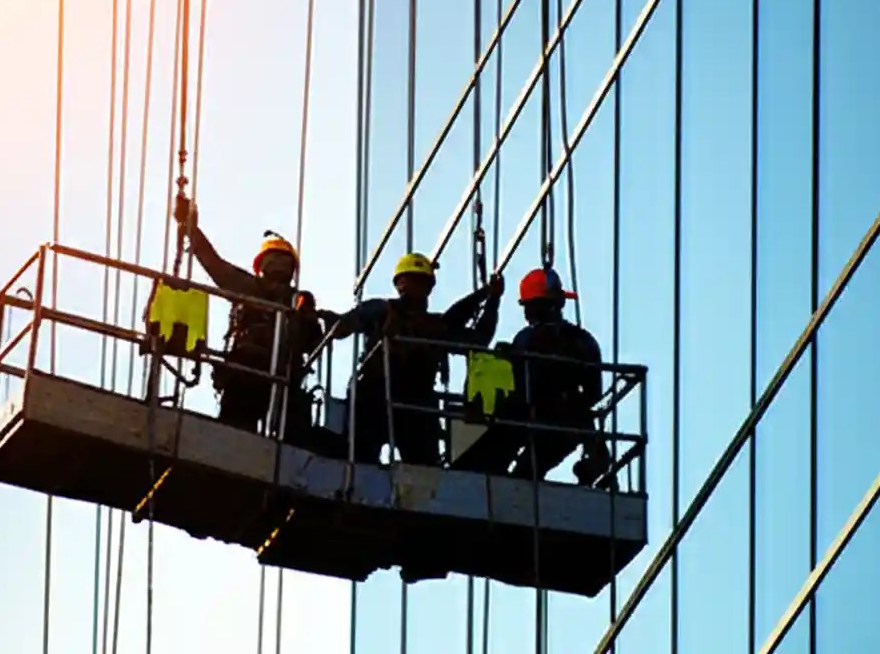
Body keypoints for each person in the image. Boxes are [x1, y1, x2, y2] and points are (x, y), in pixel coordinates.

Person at [318, 253, 502, 466]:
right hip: (376, 401)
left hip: (415, 408)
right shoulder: (383, 310)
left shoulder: (436, 326)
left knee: (422, 471)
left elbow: (477, 340)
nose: (413, 287)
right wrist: (327, 319)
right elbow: (344, 325)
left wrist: (491, 299)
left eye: (418, 282)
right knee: (362, 461)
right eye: (410, 281)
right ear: (399, 285)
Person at [174, 197, 324, 446]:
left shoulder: (295, 298)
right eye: (274, 259)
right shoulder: (249, 287)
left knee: (257, 440)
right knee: (240, 439)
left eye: (281, 259)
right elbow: (214, 264)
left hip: (277, 377)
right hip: (252, 373)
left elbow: (312, 341)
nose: (278, 264)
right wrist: (190, 227)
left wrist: (305, 317)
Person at [452, 268, 610, 485]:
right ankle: (591, 467)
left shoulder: (526, 340)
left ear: (530, 309)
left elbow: (518, 387)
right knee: (529, 470)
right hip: (569, 423)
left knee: (514, 472)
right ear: (560, 303)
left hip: (530, 420)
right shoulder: (584, 340)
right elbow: (594, 393)